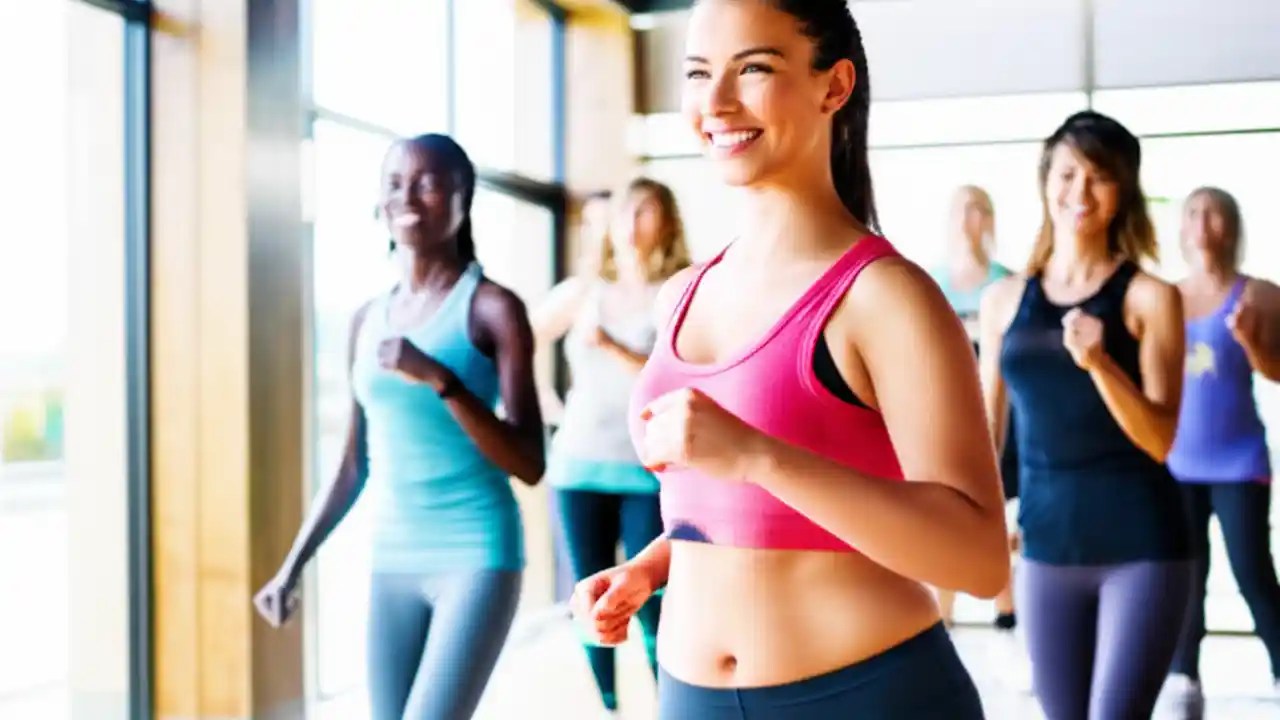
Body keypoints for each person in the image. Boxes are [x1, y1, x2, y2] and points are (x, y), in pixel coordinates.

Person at [571, 1, 1009, 717]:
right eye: (696, 73)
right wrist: (648, 569)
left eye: (752, 69)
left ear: (833, 86)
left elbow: (980, 560)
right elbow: (731, 507)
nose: (714, 103)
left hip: (866, 694)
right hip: (691, 697)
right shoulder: (682, 294)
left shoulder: (886, 297)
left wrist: (757, 455)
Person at [252, 134, 545, 720]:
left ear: (463, 197)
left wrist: (442, 378)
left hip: (477, 553)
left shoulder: (492, 309)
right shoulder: (365, 319)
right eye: (394, 183)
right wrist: (291, 567)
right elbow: (352, 466)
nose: (408, 195)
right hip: (392, 554)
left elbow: (529, 462)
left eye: (429, 182)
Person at [979, 110, 1191, 720]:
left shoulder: (1152, 297)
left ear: (1123, 190)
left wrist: (1098, 362)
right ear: (1046, 180)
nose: (1080, 192)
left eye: (1100, 177)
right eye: (1067, 173)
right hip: (1045, 549)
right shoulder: (1004, 301)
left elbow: (1160, 440)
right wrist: (981, 515)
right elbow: (988, 431)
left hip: (1142, 549)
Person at [532, 177, 691, 716]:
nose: (633, 221)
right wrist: (545, 408)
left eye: (648, 210)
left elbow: (678, 377)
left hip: (647, 470)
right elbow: (521, 338)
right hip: (577, 467)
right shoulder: (583, 292)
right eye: (627, 209)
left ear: (666, 222)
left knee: (653, 601)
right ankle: (608, 706)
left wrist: (615, 348)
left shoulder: (678, 291)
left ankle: (671, 702)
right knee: (590, 598)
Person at [1163, 186, 1280, 715]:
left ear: (1231, 225)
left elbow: (1277, 371)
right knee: (1187, 574)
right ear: (1182, 228)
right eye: (1192, 211)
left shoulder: (1259, 293)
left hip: (1239, 462)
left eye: (1213, 211)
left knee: (1252, 569)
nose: (1202, 220)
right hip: (1176, 464)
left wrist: (1251, 339)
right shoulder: (1164, 297)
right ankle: (1183, 672)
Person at [930, 184, 1019, 631]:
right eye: (960, 209)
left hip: (998, 416)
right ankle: (943, 612)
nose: (969, 220)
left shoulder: (1007, 283)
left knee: (997, 507)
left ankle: (1008, 607)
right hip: (945, 417)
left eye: (978, 210)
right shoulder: (931, 284)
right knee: (946, 510)